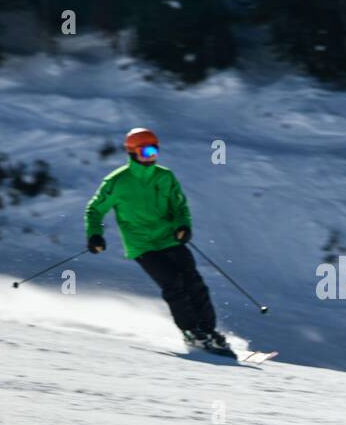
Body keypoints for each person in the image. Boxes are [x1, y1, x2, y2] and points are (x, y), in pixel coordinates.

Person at [85, 127, 235, 358]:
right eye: (146, 152)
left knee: (194, 282)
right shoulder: (117, 182)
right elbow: (95, 209)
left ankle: (208, 331)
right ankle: (190, 332)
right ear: (133, 152)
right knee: (173, 283)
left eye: (155, 151)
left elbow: (179, 207)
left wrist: (183, 226)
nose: (151, 157)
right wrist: (95, 234)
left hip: (169, 239)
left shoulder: (165, 177)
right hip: (142, 246)